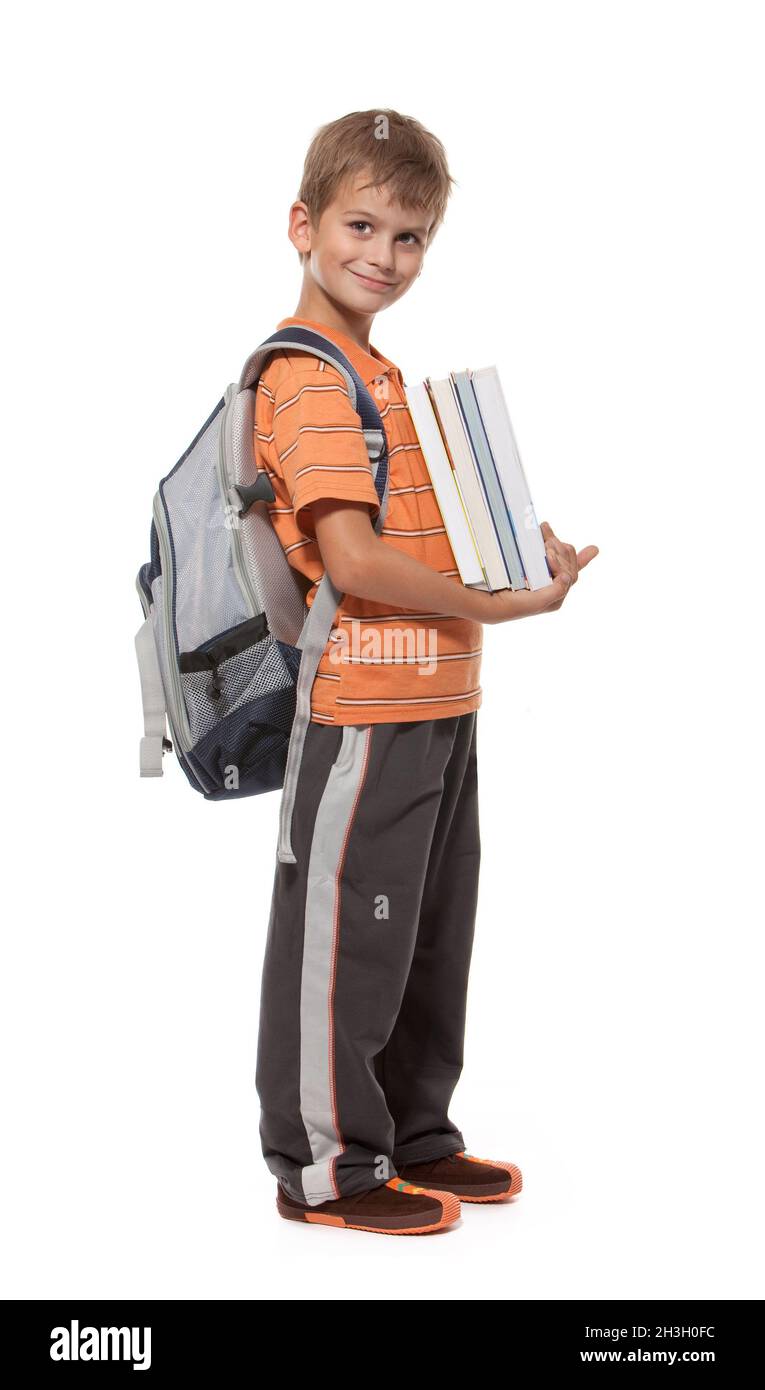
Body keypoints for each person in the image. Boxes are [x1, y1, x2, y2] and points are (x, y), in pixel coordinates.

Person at [254, 108, 598, 1235]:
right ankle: (326, 1169)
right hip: (362, 705)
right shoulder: (309, 378)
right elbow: (351, 558)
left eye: (409, 237)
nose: (383, 257)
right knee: (346, 934)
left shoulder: (383, 373)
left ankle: (412, 1135)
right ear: (305, 226)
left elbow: (413, 532)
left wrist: (517, 549)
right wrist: (501, 605)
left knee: (426, 934)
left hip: (441, 697)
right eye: (362, 225)